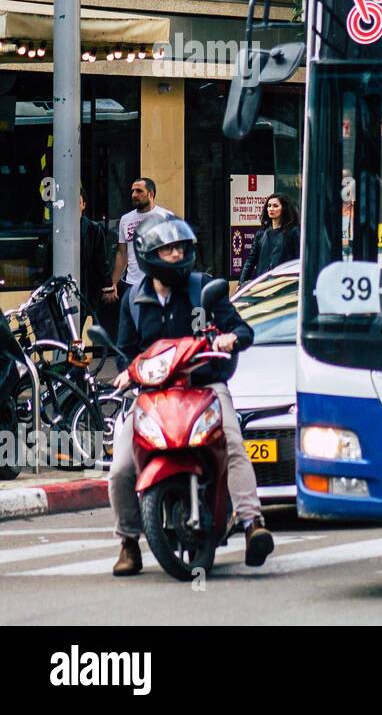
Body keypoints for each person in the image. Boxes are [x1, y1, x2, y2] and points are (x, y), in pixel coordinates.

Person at [108, 215, 274, 576]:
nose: (176, 254)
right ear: (150, 254)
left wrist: (232, 338)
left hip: (204, 386)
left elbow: (241, 328)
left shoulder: (202, 290)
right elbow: (124, 350)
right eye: (168, 249)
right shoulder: (134, 301)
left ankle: (251, 524)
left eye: (180, 248)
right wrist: (125, 371)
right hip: (153, 393)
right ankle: (128, 543)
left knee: (232, 442)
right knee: (120, 465)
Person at [105, 178, 171, 312]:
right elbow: (122, 253)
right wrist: (113, 283)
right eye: (133, 191)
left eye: (139, 191)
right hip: (132, 285)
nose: (134, 195)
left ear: (151, 194)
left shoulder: (165, 217)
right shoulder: (126, 219)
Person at [239, 193, 300, 284]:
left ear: (284, 208)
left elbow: (298, 259)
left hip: (284, 283)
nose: (271, 209)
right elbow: (251, 260)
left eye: (275, 206)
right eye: (269, 206)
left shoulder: (293, 231)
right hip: (263, 283)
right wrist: (241, 283)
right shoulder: (262, 232)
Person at [79, 188, 113, 321]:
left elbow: (102, 260)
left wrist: (107, 286)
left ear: (83, 205)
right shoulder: (57, 228)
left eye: (78, 202)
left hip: (87, 286)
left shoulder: (93, 229)